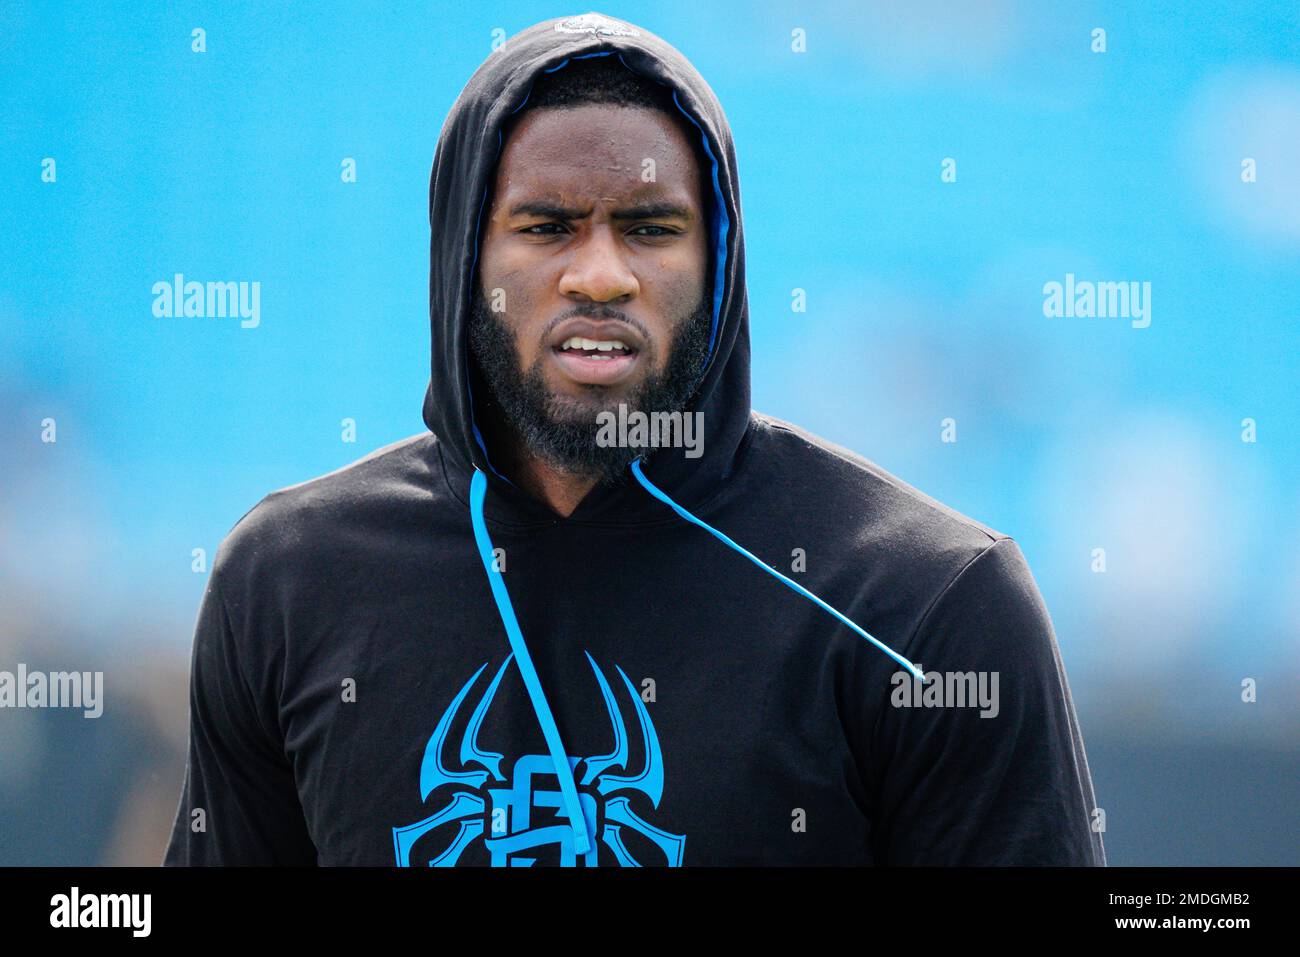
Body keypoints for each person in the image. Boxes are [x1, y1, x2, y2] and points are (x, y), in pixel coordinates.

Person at [163, 12, 1105, 867]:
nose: (602, 275)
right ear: (463, 255)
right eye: (547, 226)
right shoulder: (289, 579)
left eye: (652, 229)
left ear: (721, 261)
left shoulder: (925, 606)